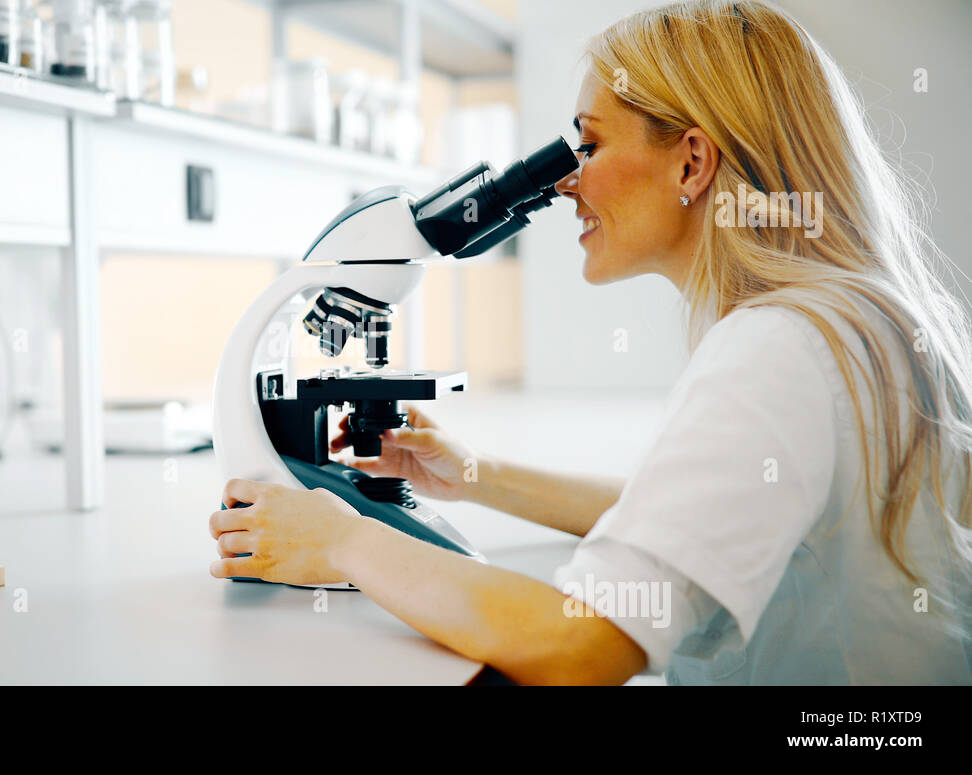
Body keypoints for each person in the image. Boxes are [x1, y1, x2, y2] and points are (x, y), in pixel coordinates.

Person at [207, 0, 972, 685]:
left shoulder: (777, 348)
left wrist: (343, 540)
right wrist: (476, 473)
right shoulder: (855, 321)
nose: (565, 183)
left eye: (590, 146)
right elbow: (694, 520)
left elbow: (583, 645)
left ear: (692, 161)